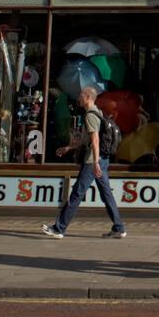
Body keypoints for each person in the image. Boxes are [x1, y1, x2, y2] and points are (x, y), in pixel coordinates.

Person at [41, 85, 127, 238]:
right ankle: (119, 228)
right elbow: (85, 139)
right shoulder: (98, 113)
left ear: (88, 97)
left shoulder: (90, 115)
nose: (78, 98)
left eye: (81, 95)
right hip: (102, 160)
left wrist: (94, 162)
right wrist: (68, 147)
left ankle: (59, 228)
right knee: (106, 194)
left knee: (77, 193)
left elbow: (95, 140)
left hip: (92, 161)